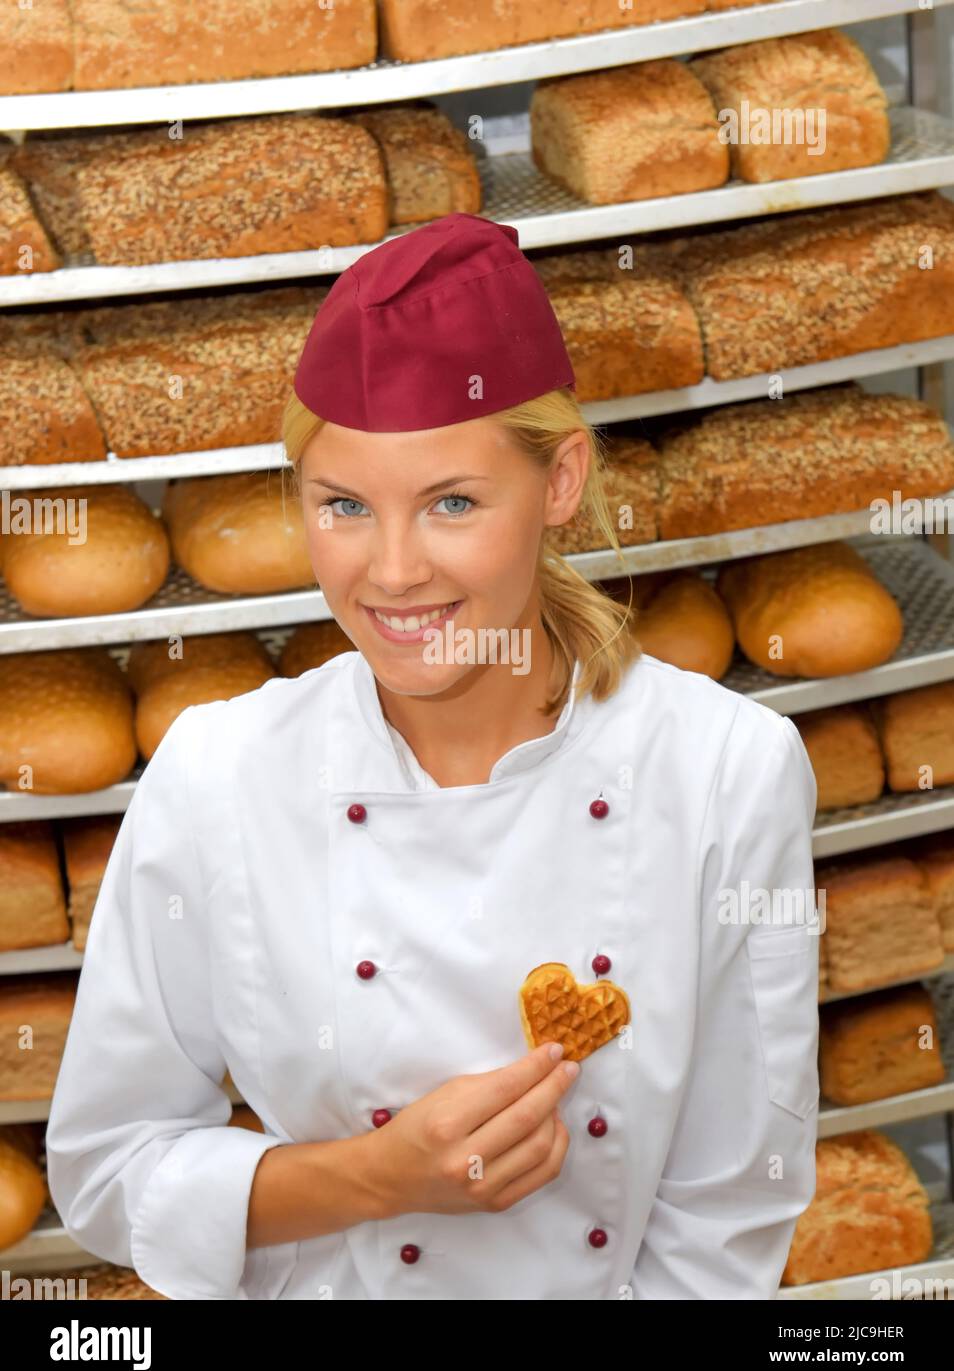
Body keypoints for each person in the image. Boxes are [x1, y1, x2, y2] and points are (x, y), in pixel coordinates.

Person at [46, 212, 820, 1300]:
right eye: (345, 506)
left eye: (452, 502)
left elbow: (735, 1201)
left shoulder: (728, 770)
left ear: (558, 485)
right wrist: (374, 1177)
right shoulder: (219, 777)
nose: (394, 571)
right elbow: (110, 1168)